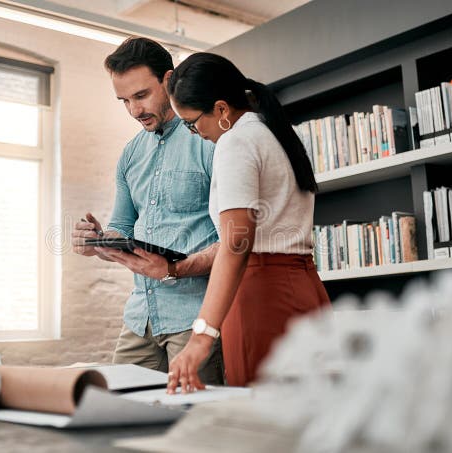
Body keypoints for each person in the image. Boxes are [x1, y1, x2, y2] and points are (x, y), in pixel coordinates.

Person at [165, 52, 331, 392]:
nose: (194, 133)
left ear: (222, 109)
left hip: (263, 296)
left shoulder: (236, 142)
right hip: (304, 284)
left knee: (264, 426)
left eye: (192, 122)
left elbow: (237, 243)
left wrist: (201, 336)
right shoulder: (275, 133)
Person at [71, 38, 224, 385]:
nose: (134, 111)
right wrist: (97, 243)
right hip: (140, 318)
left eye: (141, 96)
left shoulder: (207, 141)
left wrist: (172, 269)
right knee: (116, 410)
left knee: (192, 423)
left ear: (169, 81)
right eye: (124, 101)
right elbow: (122, 229)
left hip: (194, 317)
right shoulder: (129, 156)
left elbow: (233, 241)